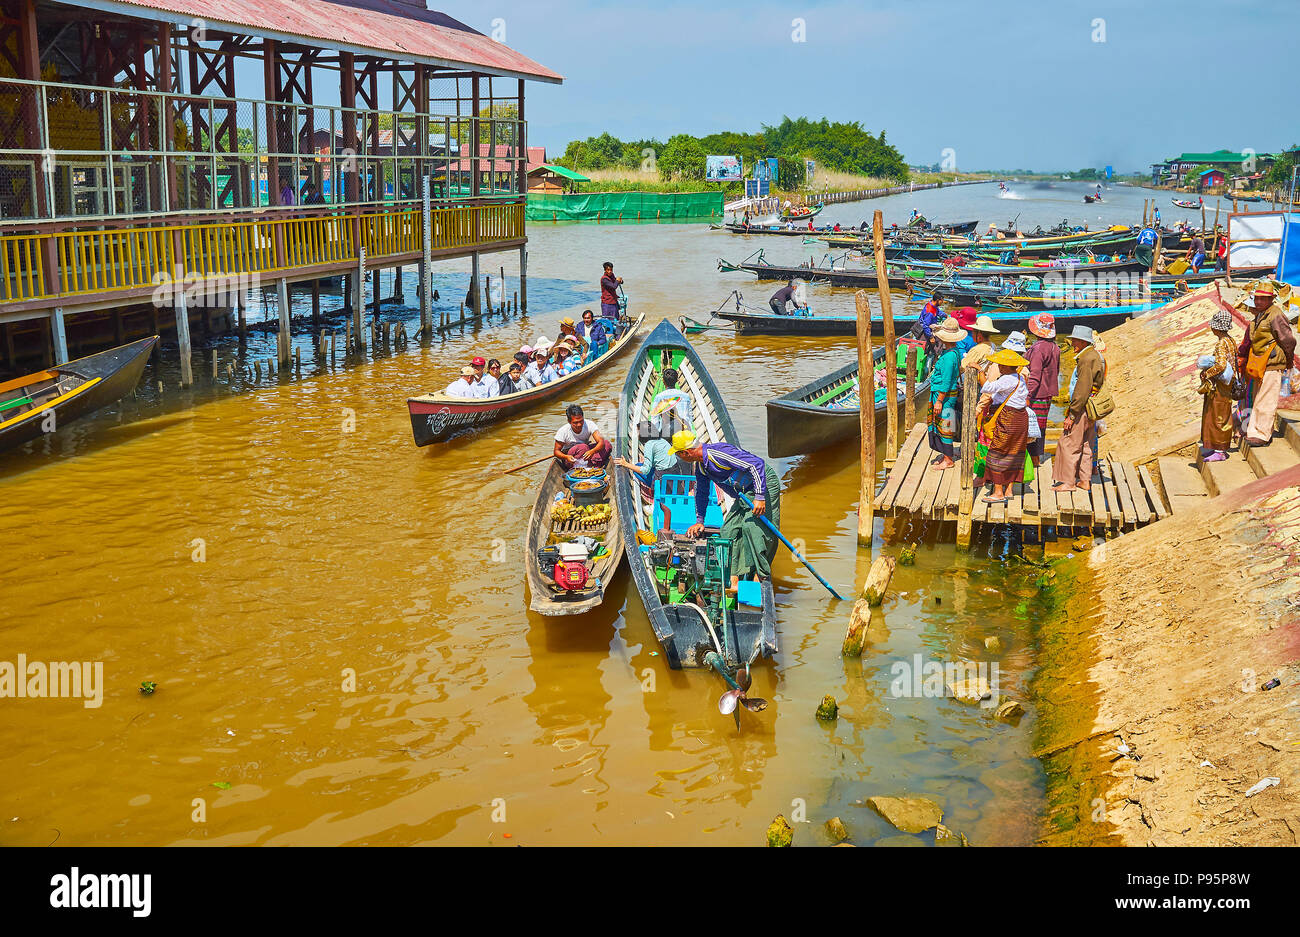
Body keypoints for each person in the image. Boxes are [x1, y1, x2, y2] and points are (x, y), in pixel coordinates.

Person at [670, 431, 777, 592]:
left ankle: (759, 578)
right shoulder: (701, 467)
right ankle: (733, 579)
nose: (680, 458)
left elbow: (756, 465)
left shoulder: (717, 454)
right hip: (743, 492)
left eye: (679, 455)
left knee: (753, 529)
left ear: (686, 453)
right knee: (728, 530)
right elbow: (702, 493)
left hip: (762, 484)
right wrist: (700, 521)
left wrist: (760, 496)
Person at [1238, 280, 1296, 447]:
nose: (1258, 301)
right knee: (1259, 398)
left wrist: (1288, 360)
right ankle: (1256, 430)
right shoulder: (1261, 314)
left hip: (1272, 363)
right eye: (1257, 298)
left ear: (1271, 299)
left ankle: (1261, 434)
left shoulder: (1275, 314)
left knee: (1266, 399)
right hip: (1261, 363)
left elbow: (1288, 340)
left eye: (1262, 299)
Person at [1052, 326, 1104, 493]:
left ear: (1082, 342)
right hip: (1091, 408)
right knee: (1087, 444)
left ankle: (1068, 482)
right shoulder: (1095, 356)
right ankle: (1084, 480)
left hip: (1082, 408)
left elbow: (1082, 389)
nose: (1072, 343)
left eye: (1074, 340)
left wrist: (1072, 414)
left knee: (1068, 443)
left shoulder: (1086, 359)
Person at [975, 349, 1031, 503]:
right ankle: (1009, 490)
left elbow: (987, 388)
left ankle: (998, 492)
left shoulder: (1007, 379)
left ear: (1006, 367)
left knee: (997, 452)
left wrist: (980, 370)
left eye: (1001, 364)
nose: (998, 366)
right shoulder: (1019, 378)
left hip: (1008, 419)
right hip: (1021, 418)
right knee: (1014, 452)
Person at [927, 316, 967, 470]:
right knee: (942, 424)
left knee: (946, 426)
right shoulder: (954, 351)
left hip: (944, 396)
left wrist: (939, 400)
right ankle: (945, 454)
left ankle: (948, 459)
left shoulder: (950, 356)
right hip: (943, 394)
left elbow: (946, 380)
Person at [1198, 308, 1238, 462]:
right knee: (1221, 414)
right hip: (1228, 384)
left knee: (1217, 416)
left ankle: (1220, 450)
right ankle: (1216, 447)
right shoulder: (1230, 340)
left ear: (1216, 327)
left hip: (1221, 386)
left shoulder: (1221, 343)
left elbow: (1220, 365)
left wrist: (1207, 374)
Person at [613, 437, 679, 530]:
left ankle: (654, 502)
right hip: (674, 478)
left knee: (637, 469)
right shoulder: (663, 441)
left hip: (662, 481)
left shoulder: (649, 444)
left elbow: (644, 470)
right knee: (639, 466)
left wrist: (626, 464)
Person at [1024, 313, 1061, 468]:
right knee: (1040, 426)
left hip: (1036, 394)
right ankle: (1036, 458)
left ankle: (1032, 460)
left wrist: (1027, 395)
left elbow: (1035, 375)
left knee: (1031, 427)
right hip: (1047, 393)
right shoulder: (1055, 348)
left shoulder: (1038, 349)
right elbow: (1056, 371)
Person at [649, 367, 694, 436]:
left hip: (667, 433)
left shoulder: (659, 397)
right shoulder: (685, 396)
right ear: (677, 380)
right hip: (684, 431)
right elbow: (689, 417)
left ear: (663, 381)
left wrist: (656, 437)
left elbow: (654, 418)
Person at [960, 314, 1001, 387]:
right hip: (984, 380)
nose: (972, 334)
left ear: (979, 334)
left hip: (975, 382)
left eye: (973, 332)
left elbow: (963, 367)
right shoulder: (993, 345)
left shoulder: (977, 349)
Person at [600, 262, 623, 330]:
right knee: (607, 322)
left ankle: (617, 334)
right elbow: (613, 286)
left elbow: (617, 282)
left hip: (613, 302)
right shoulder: (604, 279)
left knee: (616, 320)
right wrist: (617, 281)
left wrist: (620, 281)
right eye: (608, 270)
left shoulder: (612, 275)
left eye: (611, 270)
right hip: (607, 303)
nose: (610, 271)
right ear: (605, 270)